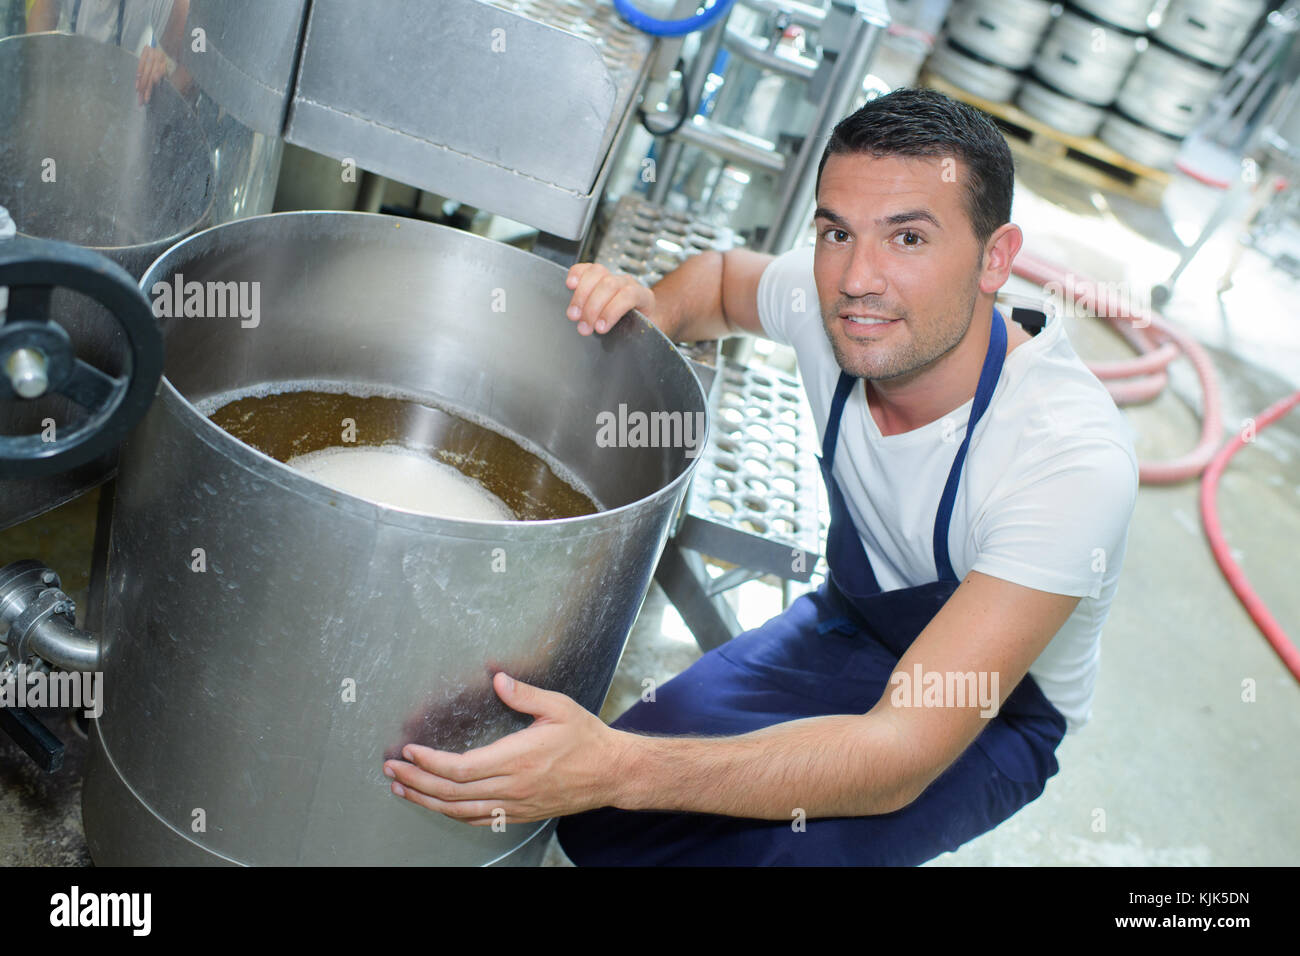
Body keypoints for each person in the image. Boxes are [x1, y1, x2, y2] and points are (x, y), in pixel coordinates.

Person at [382, 87, 1140, 865]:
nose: (858, 278)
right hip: (848, 623)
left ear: (995, 258)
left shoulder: (1066, 464)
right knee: (599, 824)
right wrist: (652, 313)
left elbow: (899, 754)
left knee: (760, 851)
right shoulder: (830, 308)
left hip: (992, 712)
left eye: (908, 238)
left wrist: (622, 768)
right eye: (836, 231)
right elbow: (716, 281)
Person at [27, 0, 192, 104]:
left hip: (124, 108)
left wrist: (157, 90)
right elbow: (34, 48)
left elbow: (193, 67)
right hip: (68, 97)